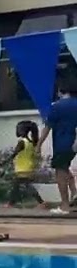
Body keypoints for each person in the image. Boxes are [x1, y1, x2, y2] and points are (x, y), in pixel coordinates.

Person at [38, 81, 77, 215]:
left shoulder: (57, 107)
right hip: (74, 142)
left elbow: (47, 128)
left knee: (60, 173)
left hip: (62, 143)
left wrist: (39, 144)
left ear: (60, 91)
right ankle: (75, 193)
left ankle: (65, 206)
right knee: (65, 167)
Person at [6, 120, 47, 209]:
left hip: (22, 168)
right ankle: (11, 203)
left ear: (22, 130)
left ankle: (41, 202)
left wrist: (2, 163)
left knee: (25, 185)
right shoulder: (31, 142)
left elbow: (14, 154)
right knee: (17, 186)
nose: (17, 131)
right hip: (27, 167)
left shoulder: (22, 142)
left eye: (18, 129)